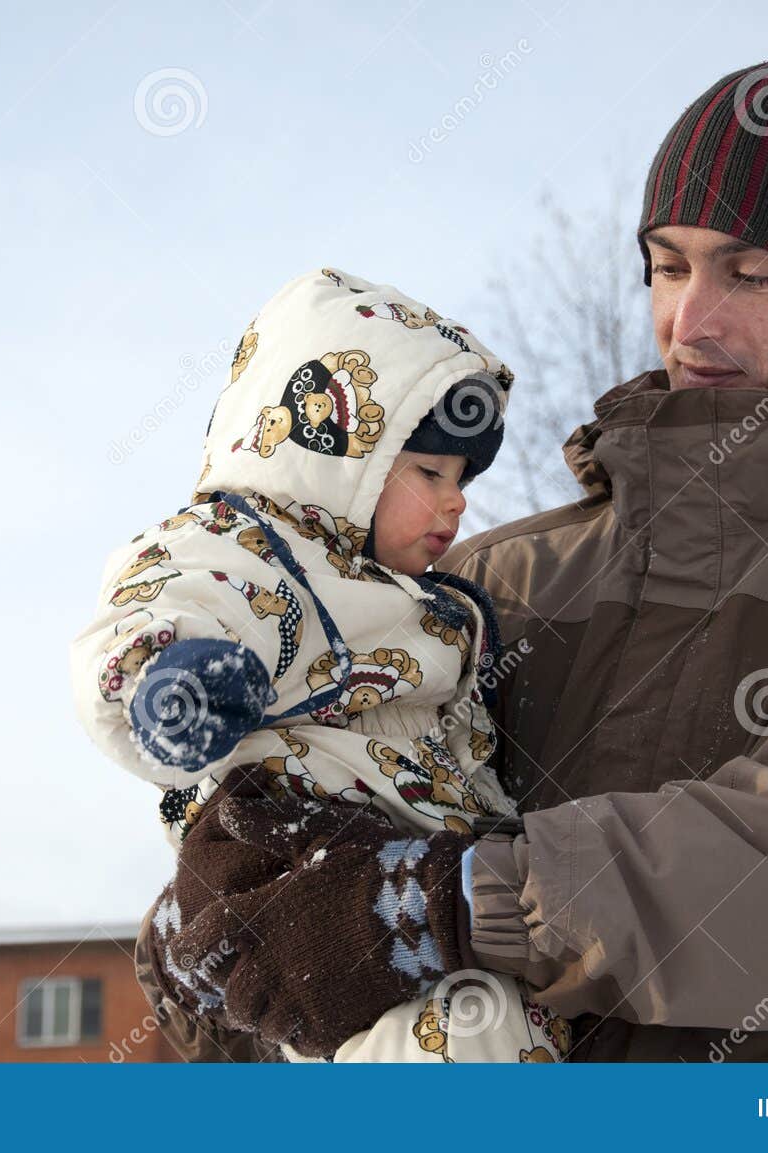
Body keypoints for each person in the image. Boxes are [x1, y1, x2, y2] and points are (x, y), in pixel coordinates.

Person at [139, 56, 768, 1062]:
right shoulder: (489, 582)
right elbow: (323, 838)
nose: (691, 322)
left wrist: (477, 900)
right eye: (669, 265)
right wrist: (211, 960)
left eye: (752, 272)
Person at [72, 267, 572, 1061]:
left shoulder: (434, 607)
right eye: (431, 472)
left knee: (500, 1028)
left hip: (419, 867)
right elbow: (159, 601)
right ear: (343, 457)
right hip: (289, 846)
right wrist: (172, 680)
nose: (458, 503)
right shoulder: (248, 547)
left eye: (465, 479)